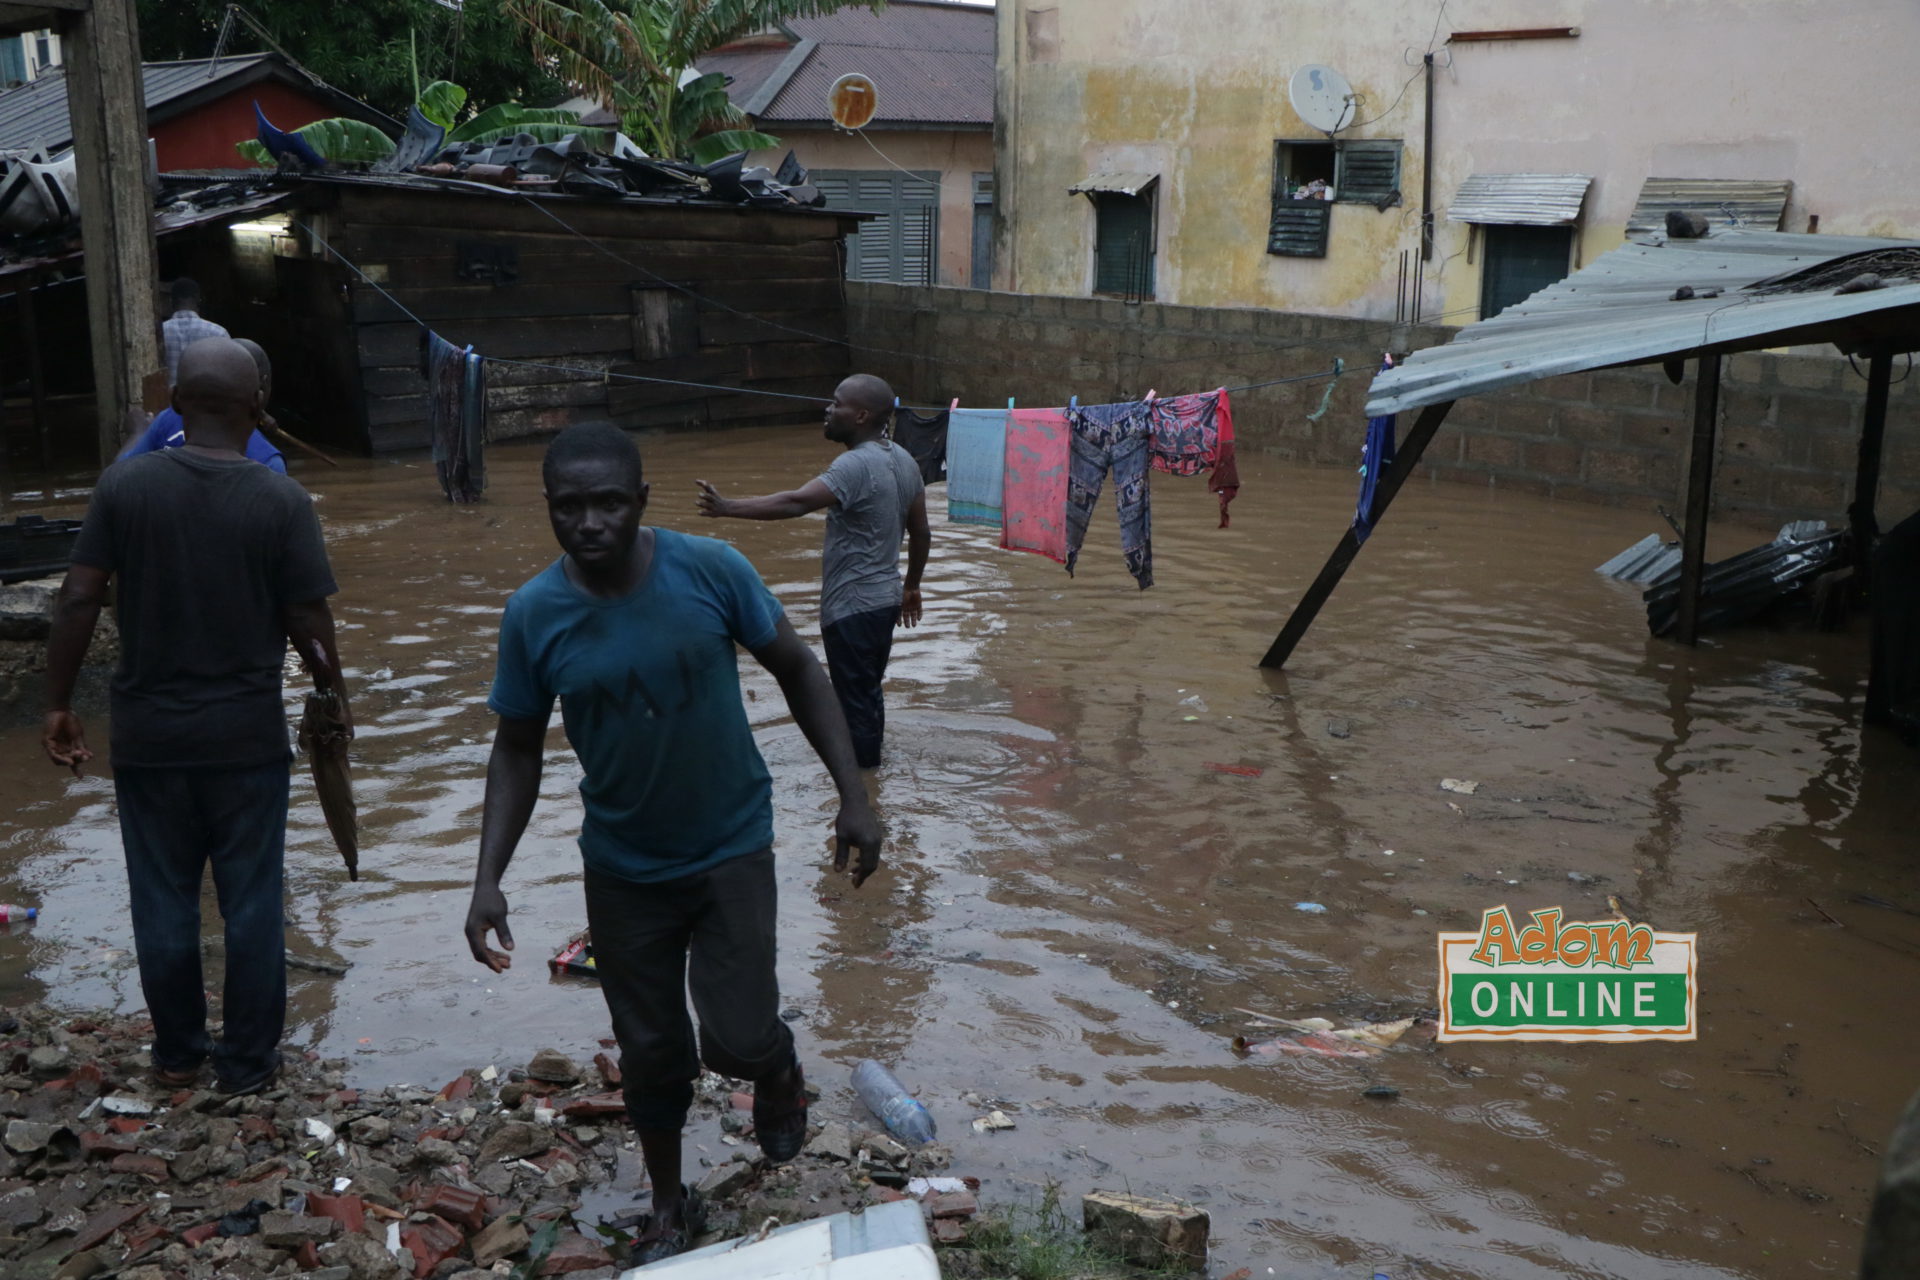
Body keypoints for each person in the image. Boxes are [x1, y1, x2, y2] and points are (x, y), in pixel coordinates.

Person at [463, 422, 882, 1265]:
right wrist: (487, 878)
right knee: (652, 1050)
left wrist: (854, 795)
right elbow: (516, 748)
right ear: (548, 507)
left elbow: (799, 669)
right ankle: (666, 1200)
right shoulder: (534, 613)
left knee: (735, 1038)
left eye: (608, 503)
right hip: (623, 866)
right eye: (568, 506)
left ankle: (776, 1065)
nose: (589, 523)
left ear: (641, 500)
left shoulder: (712, 569)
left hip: (730, 847)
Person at [41, 338, 346, 1096]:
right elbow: (309, 621)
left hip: (149, 739)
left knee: (162, 900)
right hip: (245, 741)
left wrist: (58, 704)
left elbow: (78, 597)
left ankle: (178, 1054)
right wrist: (333, 695)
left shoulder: (125, 487)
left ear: (175, 404)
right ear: (258, 408)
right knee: (252, 903)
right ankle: (247, 1065)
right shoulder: (280, 501)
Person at [695, 373, 930, 769]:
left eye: (837, 403)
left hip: (852, 608)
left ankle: (863, 783)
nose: (828, 410)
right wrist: (911, 587)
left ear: (861, 415)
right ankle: (873, 771)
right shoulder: (905, 460)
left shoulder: (854, 464)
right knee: (866, 693)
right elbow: (921, 532)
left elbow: (796, 502)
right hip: (884, 601)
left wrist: (728, 507)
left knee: (855, 701)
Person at [121, 337, 285, 472]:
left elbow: (118, 474)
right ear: (258, 397)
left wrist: (137, 434)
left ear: (176, 398)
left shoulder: (166, 421)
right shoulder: (269, 462)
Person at [160, 277, 229, 386]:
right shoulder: (219, 333)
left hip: (166, 397)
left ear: (171, 301)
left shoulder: (158, 333)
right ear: (198, 299)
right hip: (205, 396)